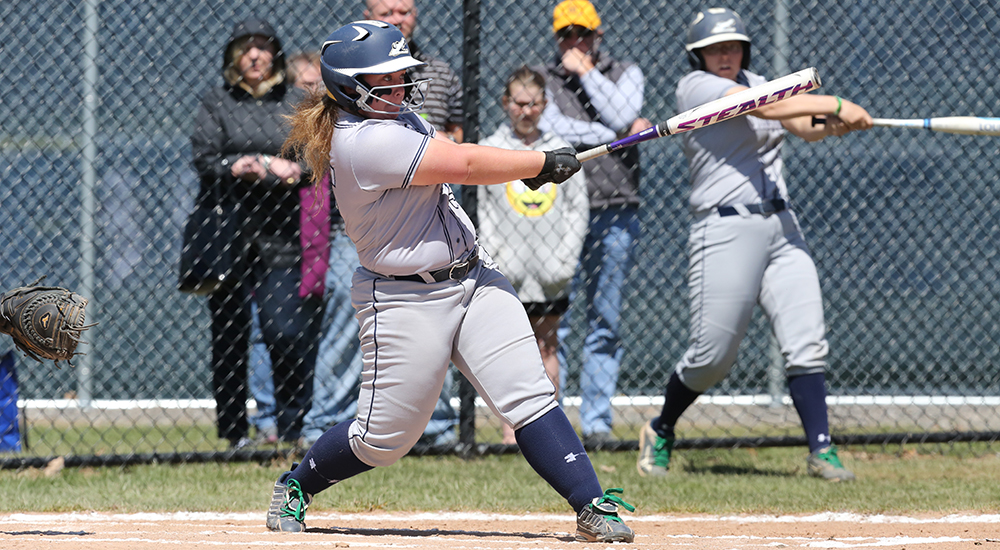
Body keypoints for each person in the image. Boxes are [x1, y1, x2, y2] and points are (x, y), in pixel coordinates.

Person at [265, 21, 634, 543]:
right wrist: (538, 162)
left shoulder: (397, 114)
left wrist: (523, 166)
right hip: (402, 298)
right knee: (385, 440)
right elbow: (459, 161)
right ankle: (297, 484)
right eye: (386, 79)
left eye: (401, 75)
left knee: (529, 395)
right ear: (351, 88)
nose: (401, 86)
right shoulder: (362, 141)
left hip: (474, 277)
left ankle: (592, 505)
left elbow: (456, 156)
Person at [636, 7, 871, 481]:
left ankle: (821, 449)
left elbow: (803, 126)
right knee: (712, 357)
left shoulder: (761, 80)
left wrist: (837, 123)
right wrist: (836, 104)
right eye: (715, 49)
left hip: (782, 228)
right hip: (723, 230)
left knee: (807, 340)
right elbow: (764, 106)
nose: (726, 55)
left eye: (733, 46)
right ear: (698, 56)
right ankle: (660, 428)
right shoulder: (697, 88)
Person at [297, 0, 466, 449]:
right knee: (344, 330)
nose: (397, 16)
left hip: (422, 220)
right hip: (360, 229)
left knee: (440, 324)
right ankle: (323, 425)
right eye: (386, 9)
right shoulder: (353, 80)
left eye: (405, 9)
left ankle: (438, 429)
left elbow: (457, 138)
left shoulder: (437, 72)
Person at [190, 17, 323, 449]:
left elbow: (314, 160)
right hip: (227, 235)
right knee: (229, 337)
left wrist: (292, 170)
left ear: (276, 55)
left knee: (285, 331)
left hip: (281, 236)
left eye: (263, 47)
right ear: (233, 55)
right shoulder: (217, 101)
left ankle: (289, 429)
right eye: (245, 48)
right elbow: (205, 158)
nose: (254, 55)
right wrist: (234, 167)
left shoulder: (294, 101)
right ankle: (232, 433)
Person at [537, 0, 652, 448]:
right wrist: (615, 136)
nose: (574, 43)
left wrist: (586, 73)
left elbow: (625, 109)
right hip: (561, 209)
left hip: (615, 206)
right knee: (555, 321)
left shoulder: (625, 71)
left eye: (582, 34)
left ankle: (598, 423)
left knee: (605, 318)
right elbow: (551, 126)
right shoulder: (543, 78)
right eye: (566, 35)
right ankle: (553, 421)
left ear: (597, 35)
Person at [477, 66, 589, 444]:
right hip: (507, 270)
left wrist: (564, 257)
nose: (526, 111)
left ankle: (548, 432)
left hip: (549, 271)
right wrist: (498, 256)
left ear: (545, 104)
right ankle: (512, 432)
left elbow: (578, 209)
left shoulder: (562, 151)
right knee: (508, 349)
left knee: (547, 344)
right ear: (506, 104)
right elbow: (485, 212)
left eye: (534, 104)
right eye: (519, 103)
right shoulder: (492, 147)